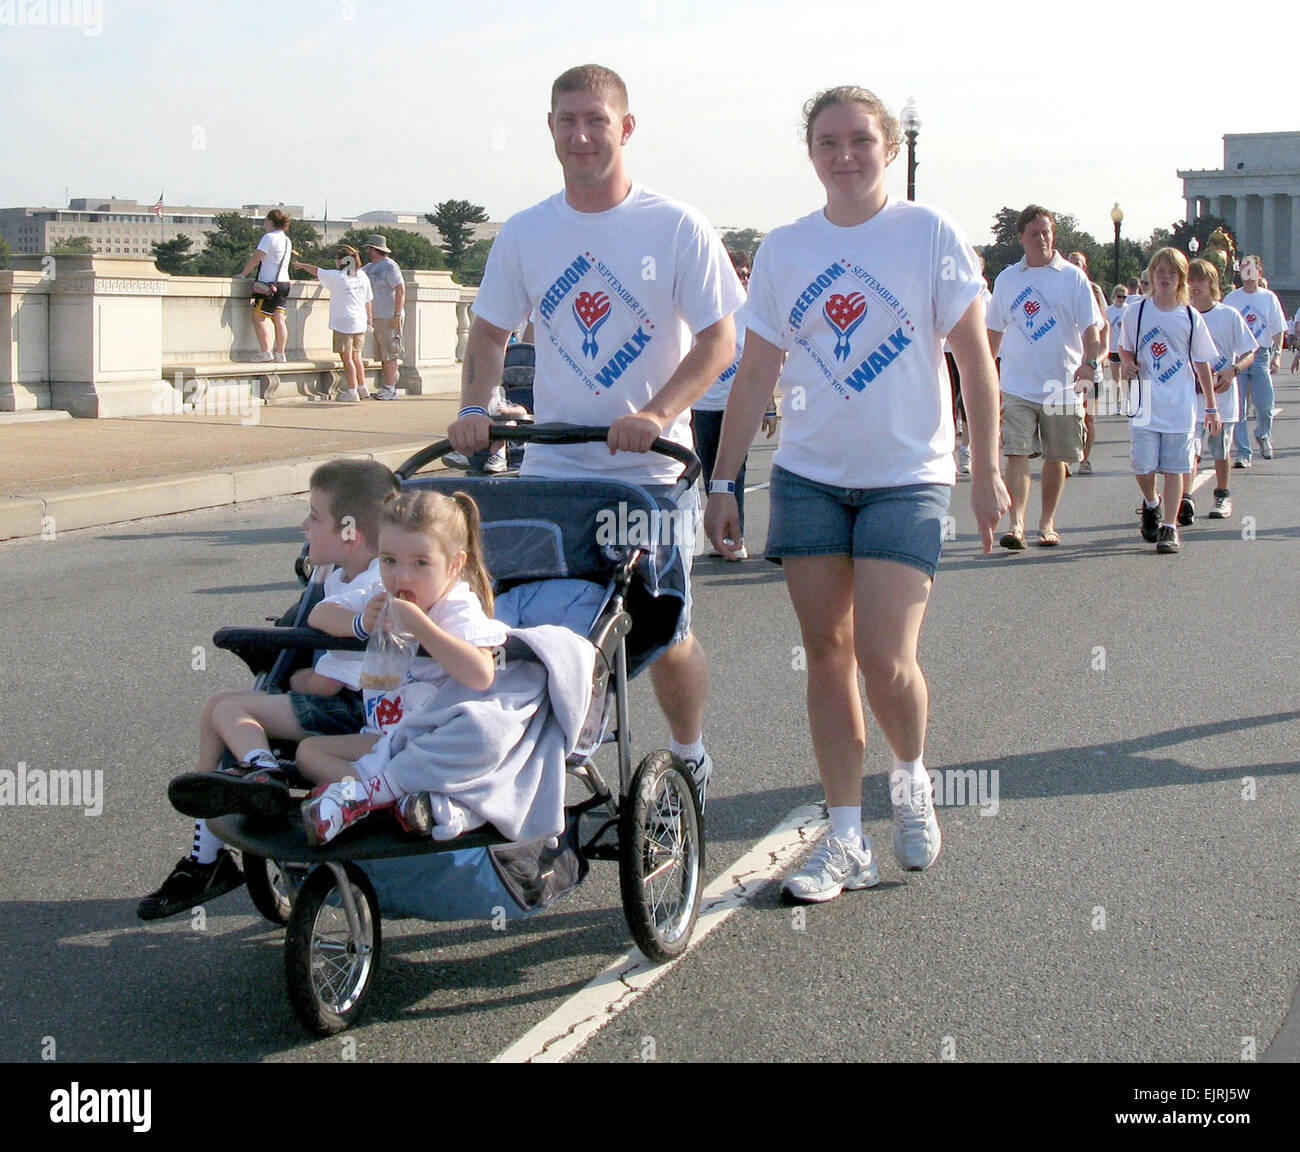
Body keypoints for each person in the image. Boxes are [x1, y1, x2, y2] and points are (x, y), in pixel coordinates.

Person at [704, 85, 1008, 902]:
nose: (845, 155)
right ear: (811, 154)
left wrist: (988, 473)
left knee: (885, 656)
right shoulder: (785, 248)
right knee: (827, 653)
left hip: (907, 475)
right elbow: (755, 371)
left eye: (860, 140)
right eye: (828, 142)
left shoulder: (929, 233)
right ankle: (844, 838)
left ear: (887, 147)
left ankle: (909, 777)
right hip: (810, 474)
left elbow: (974, 361)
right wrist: (724, 477)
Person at [447, 64, 743, 807]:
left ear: (626, 127)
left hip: (649, 472)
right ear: (550, 129)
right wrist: (478, 408)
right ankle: (540, 757)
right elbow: (487, 336)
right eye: (567, 121)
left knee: (663, 628)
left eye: (596, 120)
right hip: (553, 467)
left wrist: (657, 413)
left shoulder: (674, 226)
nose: (581, 135)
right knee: (538, 622)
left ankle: (688, 750)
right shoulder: (528, 231)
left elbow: (718, 341)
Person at [137, 459, 399, 919]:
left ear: (350, 534)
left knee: (225, 710)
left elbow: (319, 683)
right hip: (343, 703)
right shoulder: (341, 573)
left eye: (314, 517)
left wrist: (298, 678)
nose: (304, 524)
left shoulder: (374, 588)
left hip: (357, 711)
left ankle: (254, 784)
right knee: (219, 706)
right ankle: (214, 844)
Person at [294, 490, 508, 845]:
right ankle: (379, 800)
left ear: (454, 565)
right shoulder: (382, 595)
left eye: (420, 564)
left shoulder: (456, 606)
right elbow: (319, 613)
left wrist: (422, 627)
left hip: (431, 743)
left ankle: (366, 798)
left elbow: (481, 673)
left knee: (410, 761)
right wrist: (361, 621)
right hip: (382, 736)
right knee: (307, 753)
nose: (402, 577)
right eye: (389, 560)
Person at [987, 207, 1103, 547]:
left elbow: (1091, 330)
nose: (1042, 239)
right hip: (1017, 384)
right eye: (1034, 233)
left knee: (1056, 457)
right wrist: (984, 376)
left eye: (1047, 232)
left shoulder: (1072, 277)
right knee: (1016, 453)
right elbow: (993, 333)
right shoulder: (1008, 279)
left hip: (1061, 385)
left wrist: (1090, 361)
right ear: (1021, 237)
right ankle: (1016, 524)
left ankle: (1046, 522)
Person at [1118, 248, 1220, 554]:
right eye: (1160, 272)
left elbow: (1202, 362)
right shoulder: (1136, 311)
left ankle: (1170, 528)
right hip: (1145, 400)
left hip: (1179, 402)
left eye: (1172, 273)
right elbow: (1124, 348)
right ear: (1151, 274)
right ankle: (1152, 502)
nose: (1165, 278)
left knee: (1176, 467)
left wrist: (1212, 407)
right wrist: (1126, 363)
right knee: (1142, 464)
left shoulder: (1189, 316)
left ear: (1181, 279)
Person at [689, 248, 780, 559]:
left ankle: (733, 534)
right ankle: (719, 527)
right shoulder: (704, 306)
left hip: (736, 402)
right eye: (736, 272)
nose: (741, 278)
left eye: (745, 272)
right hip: (704, 403)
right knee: (709, 466)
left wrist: (768, 405)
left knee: (734, 468)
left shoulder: (751, 310)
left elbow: (759, 363)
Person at [1188, 258, 1255, 521]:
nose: (1195, 286)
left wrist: (1234, 370)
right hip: (1191, 397)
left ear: (1212, 283)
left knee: (1219, 449)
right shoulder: (1183, 314)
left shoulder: (1228, 315)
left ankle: (1222, 494)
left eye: (1200, 280)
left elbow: (1250, 351)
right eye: (1191, 280)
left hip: (1222, 396)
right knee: (1189, 451)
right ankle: (1186, 499)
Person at [1223, 254, 1285, 465]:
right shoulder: (1231, 298)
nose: (1247, 273)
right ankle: (1243, 453)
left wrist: (1277, 354)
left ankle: (1263, 434)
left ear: (1259, 273)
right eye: (1243, 268)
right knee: (1238, 407)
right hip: (1238, 357)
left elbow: (1278, 329)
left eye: (1251, 269)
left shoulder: (1268, 298)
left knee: (1265, 404)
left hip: (1261, 355)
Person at [294, 245, 375, 402]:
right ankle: (361, 387)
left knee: (347, 358)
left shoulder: (337, 276)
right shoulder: (362, 276)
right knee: (357, 356)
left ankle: (352, 391)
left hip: (343, 321)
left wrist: (301, 265)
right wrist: (369, 319)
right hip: (360, 320)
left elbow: (317, 270)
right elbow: (368, 300)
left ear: (341, 261)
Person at [1066, 251, 1110, 475]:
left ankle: (1085, 458)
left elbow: (1105, 340)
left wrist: (1094, 362)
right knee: (1065, 416)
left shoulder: (1093, 290)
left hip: (1093, 372)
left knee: (1088, 417)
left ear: (1085, 267)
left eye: (1079, 263)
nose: (1074, 266)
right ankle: (1063, 459)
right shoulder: (1063, 286)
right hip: (1069, 369)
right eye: (1071, 262)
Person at [238, 209, 293, 363]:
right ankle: (280, 353)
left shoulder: (269, 237)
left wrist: (243, 274)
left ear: (270, 221)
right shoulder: (287, 240)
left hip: (268, 285)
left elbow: (256, 258)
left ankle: (265, 351)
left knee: (258, 317)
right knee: (279, 319)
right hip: (283, 282)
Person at [362, 235, 405, 400]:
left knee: (390, 353)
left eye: (369, 249)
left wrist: (397, 313)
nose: (368, 252)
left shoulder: (390, 266)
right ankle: (387, 386)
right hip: (378, 316)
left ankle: (390, 388)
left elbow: (400, 289)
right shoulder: (370, 267)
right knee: (382, 354)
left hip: (389, 315)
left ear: (374, 249)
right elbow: (351, 273)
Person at [1106, 284, 1129, 409]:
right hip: (1113, 347)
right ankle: (1117, 403)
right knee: (1116, 377)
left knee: (1125, 377)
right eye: (1119, 296)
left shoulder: (1128, 309)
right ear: (1114, 296)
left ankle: (1125, 402)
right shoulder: (1108, 311)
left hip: (1125, 347)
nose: (1121, 299)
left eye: (1124, 297)